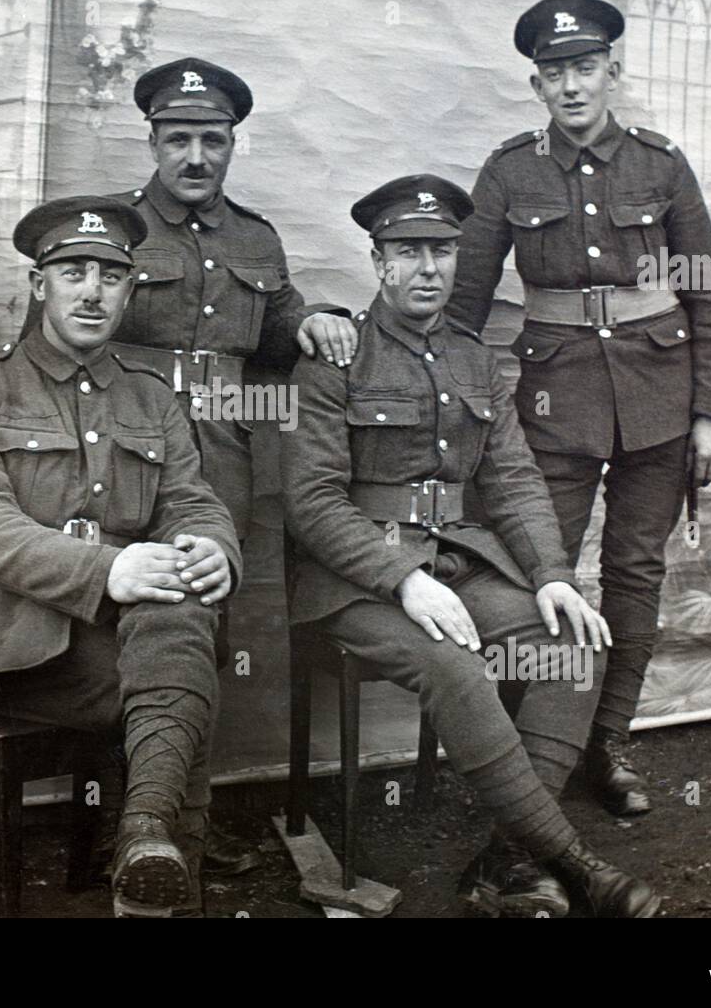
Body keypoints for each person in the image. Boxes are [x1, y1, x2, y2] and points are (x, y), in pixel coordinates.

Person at [281, 174, 660, 918]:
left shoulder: (476, 358)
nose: (429, 268)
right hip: (354, 581)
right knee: (455, 667)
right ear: (379, 260)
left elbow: (513, 479)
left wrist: (552, 575)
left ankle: (508, 861)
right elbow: (311, 503)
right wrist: (402, 580)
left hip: (458, 561)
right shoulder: (334, 357)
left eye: (442, 251)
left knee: (572, 642)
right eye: (409, 251)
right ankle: (574, 863)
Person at [22, 56, 357, 873]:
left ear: (233, 143)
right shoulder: (120, 232)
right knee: (130, 627)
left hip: (226, 456)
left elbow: (274, 334)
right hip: (128, 446)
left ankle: (177, 819)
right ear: (154, 140)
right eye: (179, 139)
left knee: (207, 629)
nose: (196, 157)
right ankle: (118, 824)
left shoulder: (256, 237)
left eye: (213, 139)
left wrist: (312, 319)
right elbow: (69, 333)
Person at [446, 0, 711, 816]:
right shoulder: (510, 171)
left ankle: (606, 745)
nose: (571, 85)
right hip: (553, 398)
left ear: (613, 71)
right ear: (535, 85)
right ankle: (527, 760)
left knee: (635, 572)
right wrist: (464, 414)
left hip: (661, 395)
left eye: (584, 68)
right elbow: (465, 307)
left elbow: (709, 294)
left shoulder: (661, 162)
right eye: (553, 72)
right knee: (540, 577)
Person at [0, 196, 241, 918]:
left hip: (121, 639)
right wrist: (110, 569)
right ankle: (156, 873)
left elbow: (189, 498)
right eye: (74, 271)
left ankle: (142, 845)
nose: (93, 291)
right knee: (181, 681)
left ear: (130, 289)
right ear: (39, 283)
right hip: (6, 647)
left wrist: (211, 545)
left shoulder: (150, 397)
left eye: (111, 275)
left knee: (183, 617)